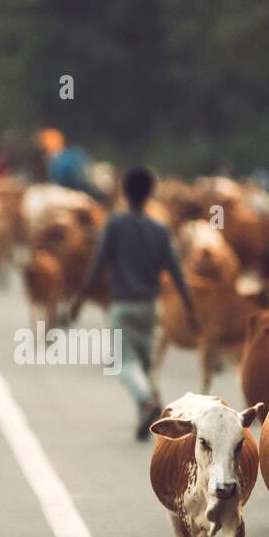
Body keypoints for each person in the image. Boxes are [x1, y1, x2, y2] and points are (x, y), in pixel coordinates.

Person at [69, 167, 199, 440]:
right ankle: (148, 414)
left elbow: (98, 262)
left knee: (121, 363)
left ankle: (147, 402)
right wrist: (190, 308)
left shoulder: (115, 225)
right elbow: (176, 271)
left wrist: (80, 297)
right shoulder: (160, 230)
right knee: (145, 364)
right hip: (150, 307)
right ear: (150, 193)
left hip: (123, 305)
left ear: (124, 192)